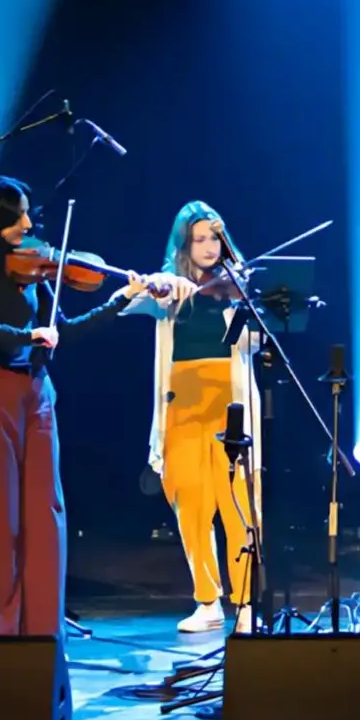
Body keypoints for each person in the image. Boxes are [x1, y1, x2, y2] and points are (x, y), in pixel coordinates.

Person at [0, 175, 150, 638]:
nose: (31, 223)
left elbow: (65, 329)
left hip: (37, 393)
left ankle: (41, 633)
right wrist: (23, 336)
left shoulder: (34, 273)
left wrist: (120, 300)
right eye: (21, 214)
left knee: (44, 511)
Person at [122, 201, 267, 634]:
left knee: (237, 503)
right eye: (199, 239)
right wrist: (149, 286)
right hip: (180, 403)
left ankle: (245, 602)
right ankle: (208, 600)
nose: (207, 247)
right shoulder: (169, 286)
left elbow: (255, 343)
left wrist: (242, 296)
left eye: (213, 238)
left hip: (231, 401)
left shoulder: (238, 284)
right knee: (191, 505)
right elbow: (131, 306)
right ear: (184, 245)